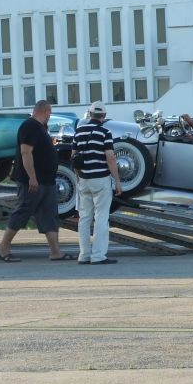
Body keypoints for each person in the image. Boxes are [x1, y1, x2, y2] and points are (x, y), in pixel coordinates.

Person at [0, 100, 71, 262]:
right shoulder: (29, 126)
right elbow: (25, 152)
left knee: (49, 215)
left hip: (47, 181)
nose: (50, 116)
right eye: (49, 113)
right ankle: (3, 247)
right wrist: (32, 178)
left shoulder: (41, 128)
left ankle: (55, 251)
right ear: (44, 111)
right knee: (23, 211)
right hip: (33, 181)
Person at [71, 101, 122, 265]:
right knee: (101, 217)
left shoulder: (78, 132)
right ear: (104, 116)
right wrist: (118, 181)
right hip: (100, 180)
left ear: (90, 114)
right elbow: (111, 157)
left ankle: (84, 255)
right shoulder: (105, 132)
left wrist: (79, 176)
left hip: (84, 180)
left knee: (84, 218)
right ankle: (98, 255)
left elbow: (74, 157)